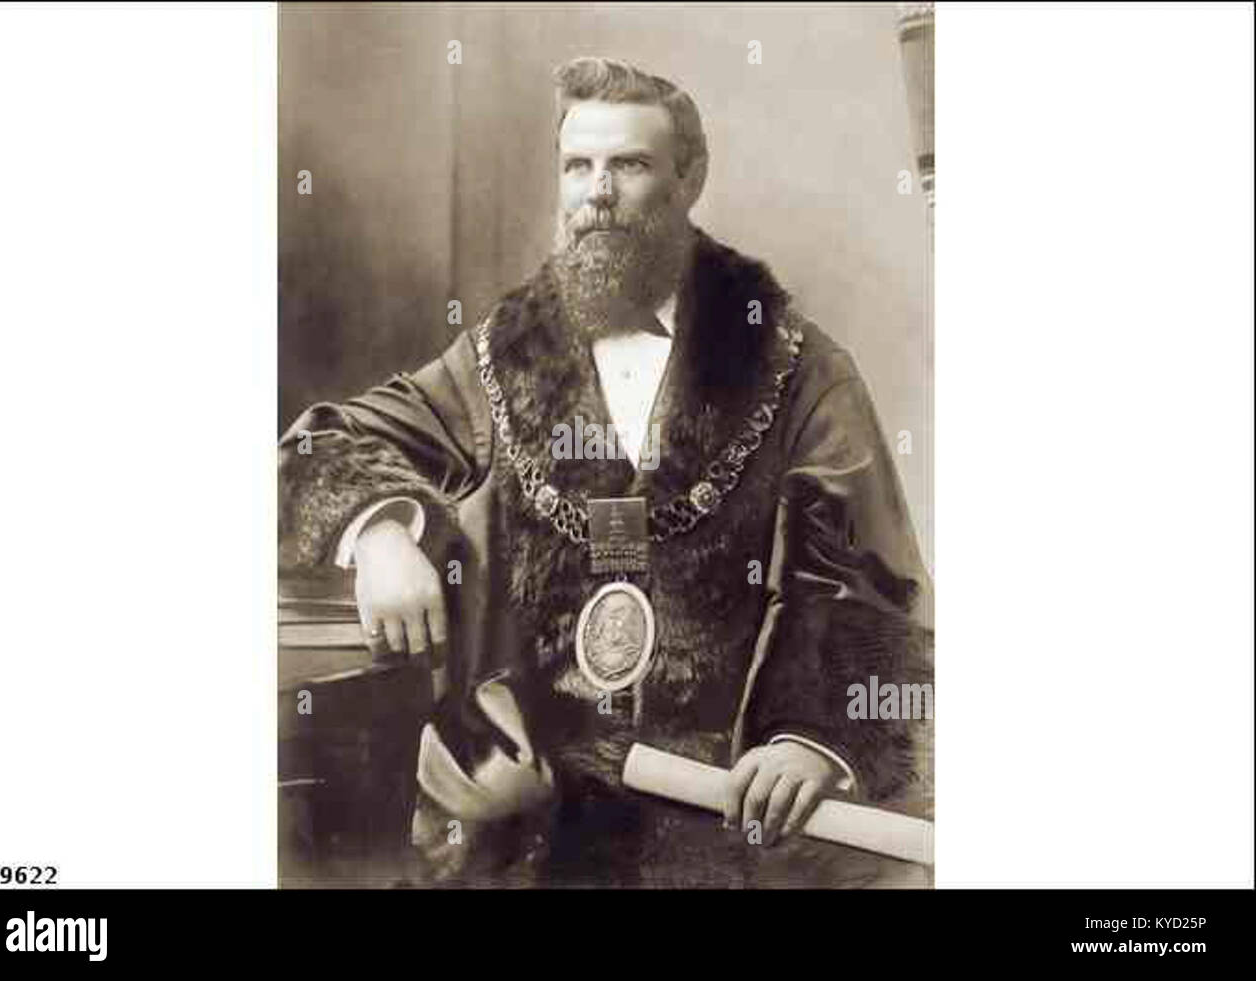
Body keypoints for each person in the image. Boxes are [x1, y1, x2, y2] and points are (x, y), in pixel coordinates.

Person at [279, 57, 933, 886]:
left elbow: (870, 581)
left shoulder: (793, 363)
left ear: (689, 178)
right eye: (578, 166)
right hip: (536, 809)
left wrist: (813, 743)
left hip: (726, 807)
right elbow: (320, 443)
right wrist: (377, 529)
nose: (597, 192)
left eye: (629, 164)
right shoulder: (503, 351)